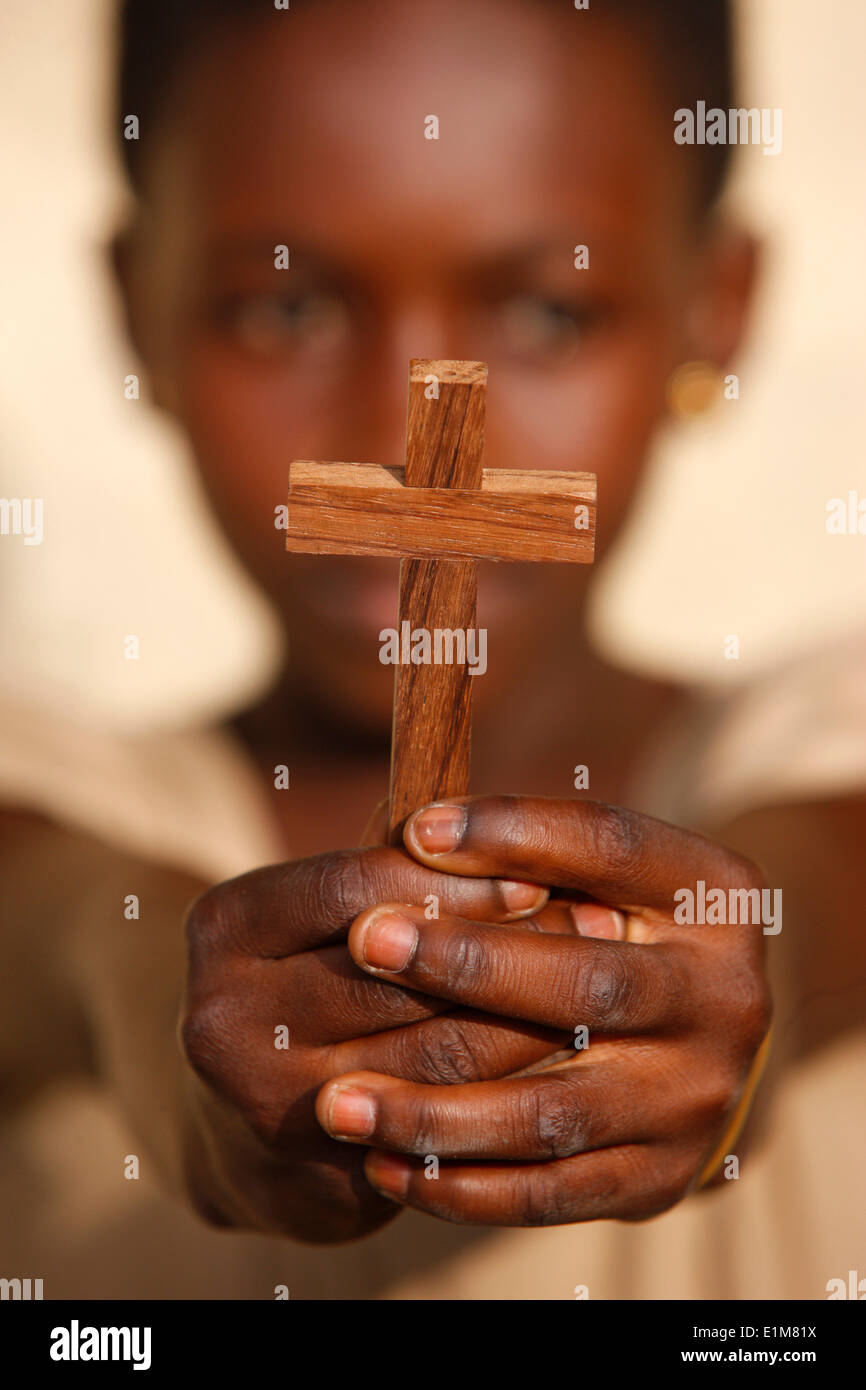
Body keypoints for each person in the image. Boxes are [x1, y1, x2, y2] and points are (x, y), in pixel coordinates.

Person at [1, 0, 863, 1299]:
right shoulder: (50, 788)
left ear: (716, 304)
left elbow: (812, 891)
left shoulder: (822, 732)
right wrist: (180, 1052)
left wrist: (744, 975)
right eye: (281, 309)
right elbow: (65, 926)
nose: (411, 433)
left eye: (550, 314)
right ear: (135, 304)